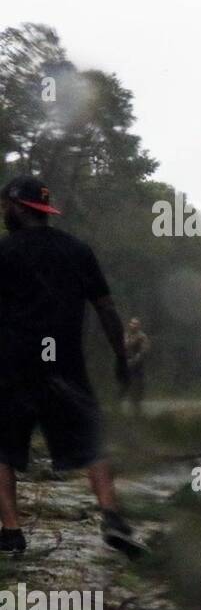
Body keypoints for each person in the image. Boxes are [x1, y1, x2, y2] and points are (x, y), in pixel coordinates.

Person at [0, 176, 146, 558]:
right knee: (92, 442)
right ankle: (111, 514)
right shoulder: (77, 250)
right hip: (64, 367)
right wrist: (120, 357)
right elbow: (106, 309)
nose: (3, 213)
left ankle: (12, 531)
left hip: (14, 368)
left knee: (2, 451)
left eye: (5, 206)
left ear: (17, 207)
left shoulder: (5, 252)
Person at [123, 317, 150, 415]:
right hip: (127, 362)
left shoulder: (142, 336)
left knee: (138, 382)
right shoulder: (126, 335)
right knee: (128, 381)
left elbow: (144, 349)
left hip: (138, 364)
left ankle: (137, 402)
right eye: (132, 323)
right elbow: (123, 347)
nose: (133, 325)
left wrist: (136, 359)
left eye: (135, 324)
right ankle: (130, 399)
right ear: (129, 324)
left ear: (138, 326)